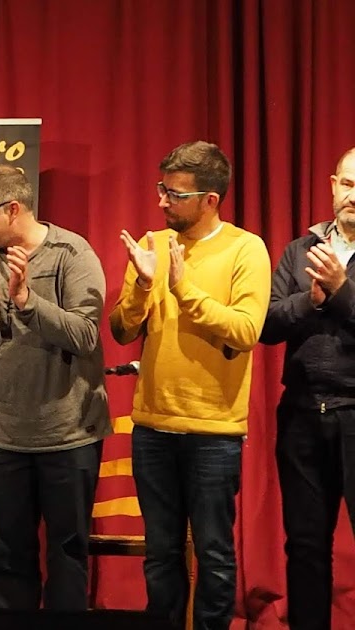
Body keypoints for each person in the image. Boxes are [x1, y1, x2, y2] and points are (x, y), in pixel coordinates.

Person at [109, 141, 271, 630]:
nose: (162, 201)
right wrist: (143, 285)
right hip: (153, 426)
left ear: (210, 200)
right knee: (160, 554)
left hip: (213, 431)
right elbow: (121, 330)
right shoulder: (152, 244)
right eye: (161, 189)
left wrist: (183, 289)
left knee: (214, 554)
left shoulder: (246, 249)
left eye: (175, 194)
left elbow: (246, 330)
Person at [0, 165, 109, 615]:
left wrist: (27, 303)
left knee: (68, 554)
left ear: (12, 209)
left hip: (68, 434)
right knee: (9, 555)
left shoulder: (71, 253)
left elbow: (86, 336)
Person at [259, 147, 355, 630]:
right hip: (301, 413)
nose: (353, 196)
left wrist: (341, 291)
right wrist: (310, 301)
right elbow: (266, 323)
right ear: (333, 185)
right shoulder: (300, 250)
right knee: (305, 544)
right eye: (348, 184)